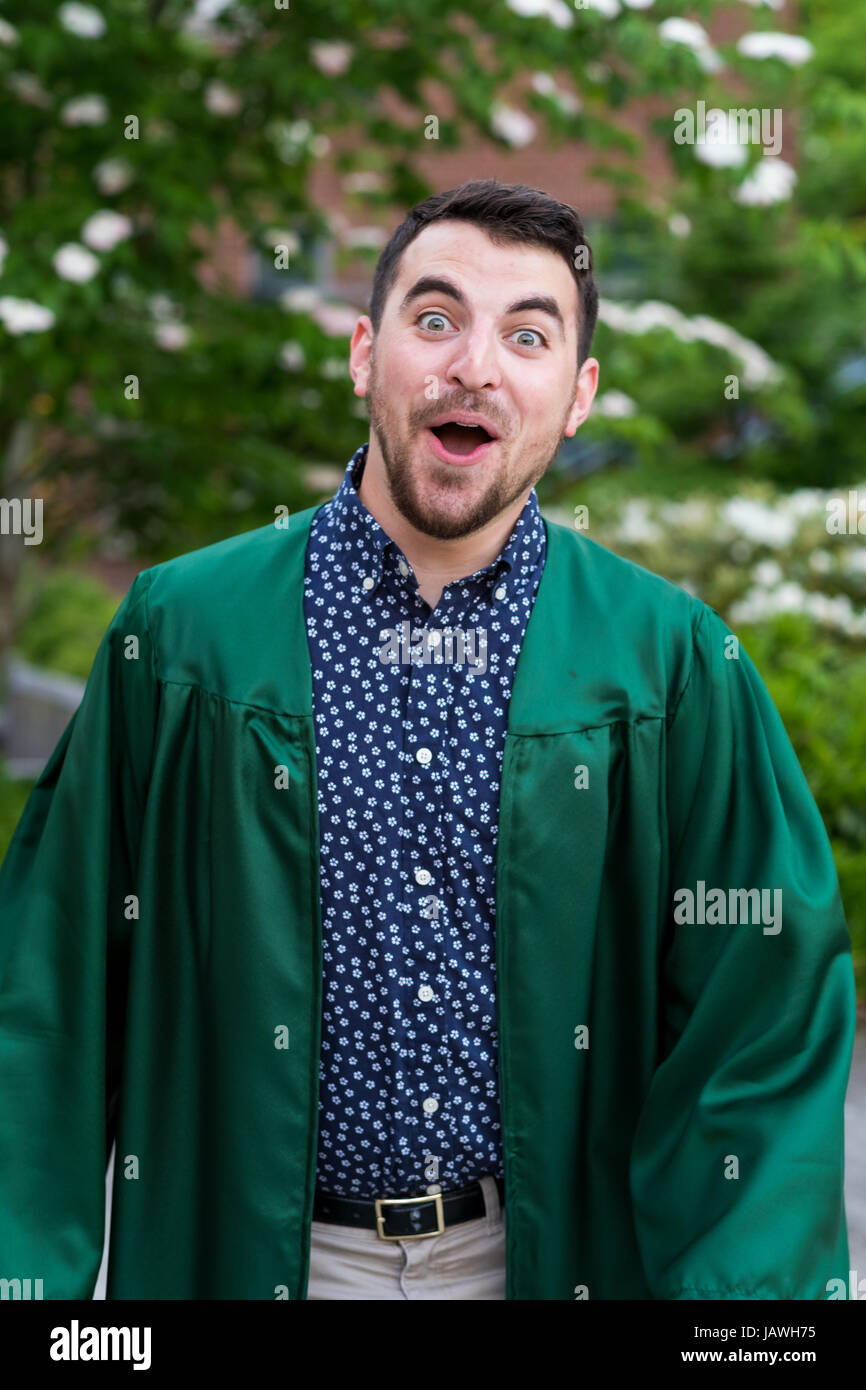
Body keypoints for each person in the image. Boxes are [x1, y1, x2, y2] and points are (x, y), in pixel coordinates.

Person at [0, 179, 855, 1301]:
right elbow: (50, 992)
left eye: (528, 335)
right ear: (366, 354)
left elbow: (762, 1012)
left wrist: (744, 1316)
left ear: (578, 393)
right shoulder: (183, 638)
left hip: (542, 1263)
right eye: (435, 318)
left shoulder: (668, 664)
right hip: (260, 1257)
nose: (474, 367)